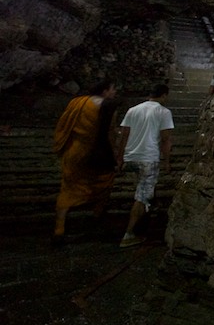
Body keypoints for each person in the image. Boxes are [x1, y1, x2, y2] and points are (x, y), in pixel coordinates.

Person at [52, 80, 119, 244]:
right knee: (103, 184)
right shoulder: (109, 107)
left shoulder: (77, 103)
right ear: (105, 91)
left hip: (73, 151)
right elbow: (110, 134)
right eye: (113, 88)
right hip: (95, 152)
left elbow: (63, 124)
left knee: (68, 188)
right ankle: (97, 220)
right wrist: (116, 154)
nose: (115, 92)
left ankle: (59, 229)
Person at [116, 83, 174, 248]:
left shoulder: (133, 110)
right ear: (164, 95)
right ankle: (129, 233)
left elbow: (123, 136)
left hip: (131, 157)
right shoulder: (163, 112)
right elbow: (166, 139)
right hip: (148, 159)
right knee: (142, 197)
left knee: (143, 191)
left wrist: (120, 158)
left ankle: (143, 221)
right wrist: (167, 161)